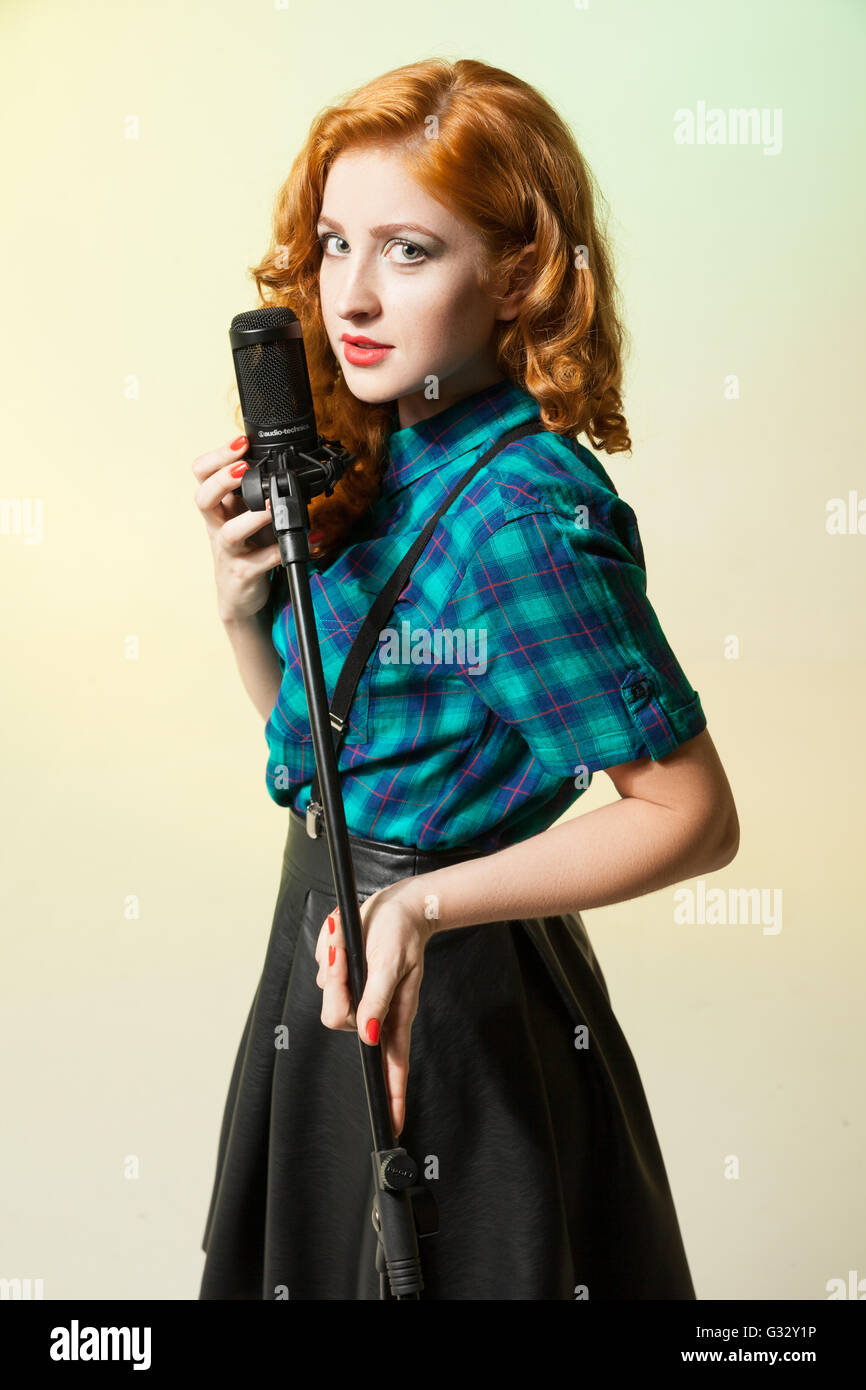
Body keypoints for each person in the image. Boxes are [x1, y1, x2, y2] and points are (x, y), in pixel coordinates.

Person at [193, 58, 739, 1301]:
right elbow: (345, 764)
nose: (353, 296)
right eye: (334, 244)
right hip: (330, 932)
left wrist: (421, 912)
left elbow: (692, 815)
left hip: (445, 980)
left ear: (516, 275)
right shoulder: (387, 446)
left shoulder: (518, 519)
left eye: (409, 251)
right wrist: (240, 609)